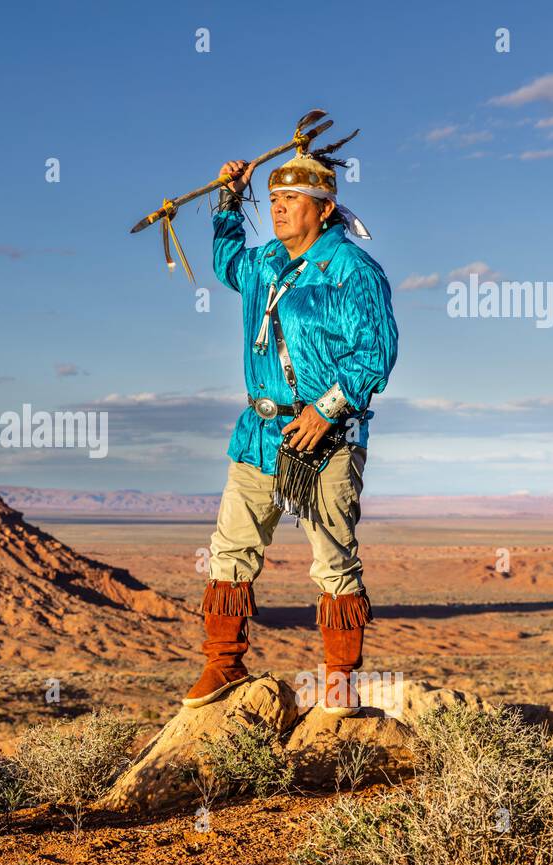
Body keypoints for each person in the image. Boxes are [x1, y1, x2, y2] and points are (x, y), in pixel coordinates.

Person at [183, 134, 398, 715]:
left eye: (293, 199)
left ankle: (339, 686)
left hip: (324, 441)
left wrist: (325, 410)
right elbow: (227, 261)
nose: (278, 208)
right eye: (273, 200)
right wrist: (230, 200)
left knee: (333, 558)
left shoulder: (350, 269)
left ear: (325, 208)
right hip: (257, 434)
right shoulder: (265, 264)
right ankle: (223, 665)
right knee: (229, 549)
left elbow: (375, 352)